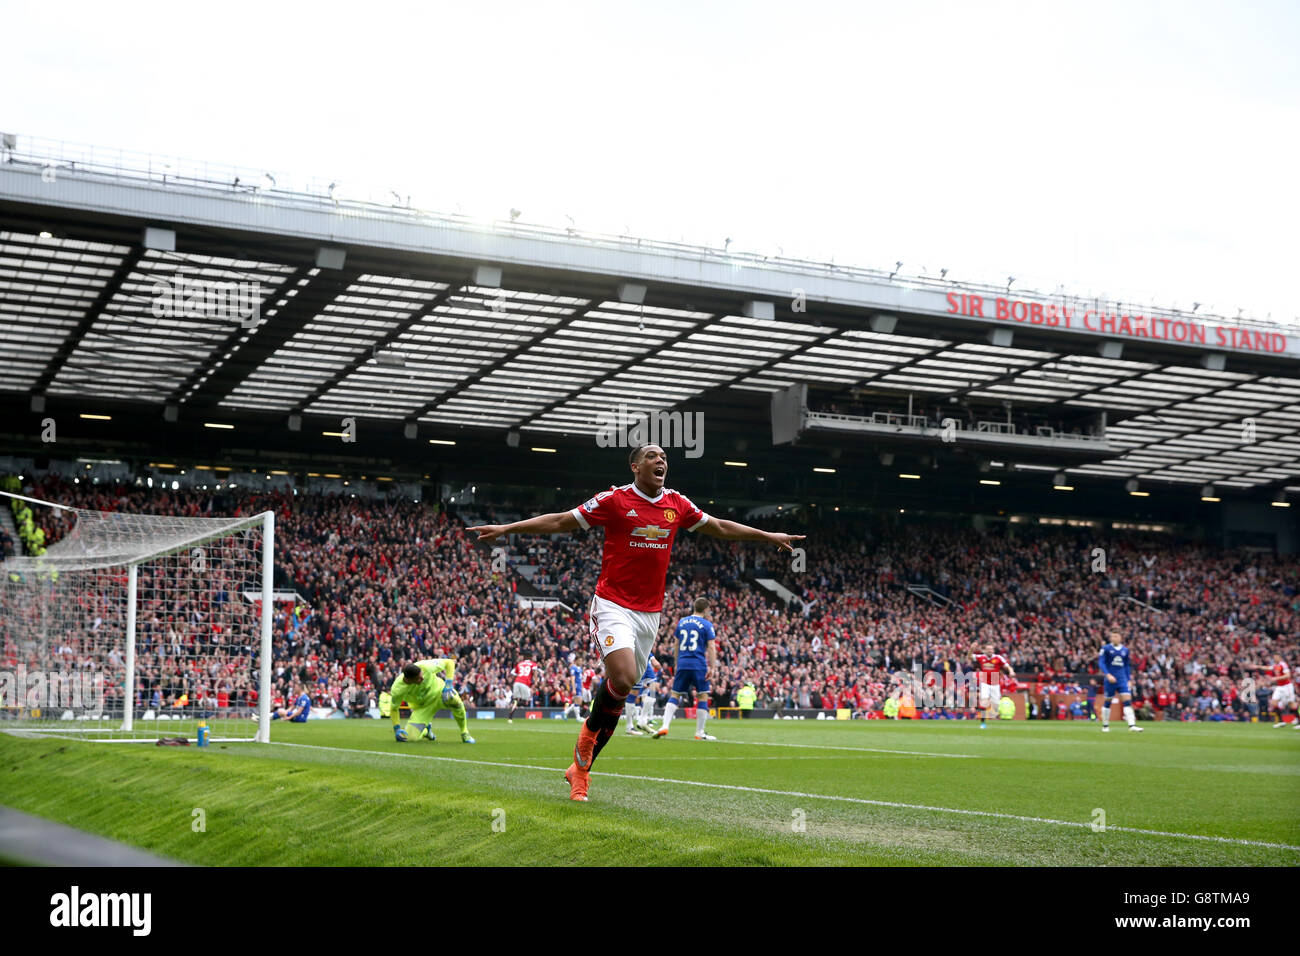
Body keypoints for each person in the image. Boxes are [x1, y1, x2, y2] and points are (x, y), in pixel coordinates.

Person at [468, 443, 804, 801]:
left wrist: (767, 536)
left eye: (664, 458)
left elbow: (719, 526)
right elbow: (562, 520)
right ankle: (585, 746)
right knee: (625, 676)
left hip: (650, 613)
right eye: (652, 457)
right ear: (635, 466)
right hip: (613, 604)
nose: (661, 461)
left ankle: (580, 769)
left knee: (623, 688)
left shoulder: (677, 503)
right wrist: (508, 529)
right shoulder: (614, 500)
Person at [654, 597, 718, 740]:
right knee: (702, 695)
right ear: (706, 609)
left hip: (682, 663)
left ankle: (665, 726)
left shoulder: (682, 622)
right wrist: (713, 667)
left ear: (694, 607)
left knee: (675, 694)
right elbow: (712, 647)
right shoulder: (707, 624)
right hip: (698, 664)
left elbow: (676, 644)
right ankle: (699, 733)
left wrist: (676, 662)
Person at [389, 658, 475, 744]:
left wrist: (448, 685)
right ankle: (426, 731)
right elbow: (394, 708)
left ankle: (465, 733)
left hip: (440, 693)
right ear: (408, 680)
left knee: (453, 699)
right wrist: (397, 728)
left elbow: (449, 662)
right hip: (423, 707)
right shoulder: (397, 689)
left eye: (422, 675)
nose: (422, 679)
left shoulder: (425, 666)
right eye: (419, 678)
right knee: (410, 738)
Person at [1099, 631, 1143, 733]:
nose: (1113, 638)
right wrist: (1108, 674)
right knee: (1108, 701)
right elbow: (1101, 662)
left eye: (1116, 636)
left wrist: (1128, 679)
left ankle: (1132, 725)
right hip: (1110, 680)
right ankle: (1105, 725)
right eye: (1112, 636)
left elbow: (1127, 666)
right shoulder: (1105, 649)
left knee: (1127, 701)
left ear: (1120, 637)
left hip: (1122, 679)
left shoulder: (1125, 650)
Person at [1243, 658, 1297, 728]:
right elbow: (1268, 668)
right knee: (1273, 703)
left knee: (1291, 704)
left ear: (1279, 657)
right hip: (1280, 686)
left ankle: (1298, 721)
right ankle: (1281, 722)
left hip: (1287, 686)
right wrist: (1258, 666)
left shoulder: (1283, 665)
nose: (1274, 658)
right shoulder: (1276, 665)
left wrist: (1276, 678)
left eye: (1275, 656)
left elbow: (1288, 675)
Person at [972, 643, 1015, 729]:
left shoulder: (998, 658)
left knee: (996, 704)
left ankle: (995, 717)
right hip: (985, 683)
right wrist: (971, 649)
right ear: (985, 650)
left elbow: (1007, 666)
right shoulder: (981, 657)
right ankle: (983, 723)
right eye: (988, 649)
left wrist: (1011, 671)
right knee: (983, 702)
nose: (990, 651)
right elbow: (969, 656)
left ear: (993, 650)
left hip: (995, 684)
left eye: (991, 649)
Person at [507, 656, 539, 723]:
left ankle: (510, 717)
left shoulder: (519, 664)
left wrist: (511, 683)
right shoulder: (533, 664)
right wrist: (536, 682)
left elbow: (514, 674)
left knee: (516, 699)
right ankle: (516, 704)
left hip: (517, 682)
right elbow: (535, 674)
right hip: (524, 683)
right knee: (526, 700)